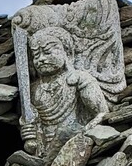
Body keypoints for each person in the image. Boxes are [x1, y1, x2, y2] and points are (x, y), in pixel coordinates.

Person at [20, 25, 110, 158]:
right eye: (36, 55)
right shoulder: (33, 90)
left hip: (74, 142)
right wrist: (29, 131)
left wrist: (86, 132)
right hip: (45, 151)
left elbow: (102, 113)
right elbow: (33, 124)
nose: (41, 59)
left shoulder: (78, 78)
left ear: (67, 52)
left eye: (48, 51)